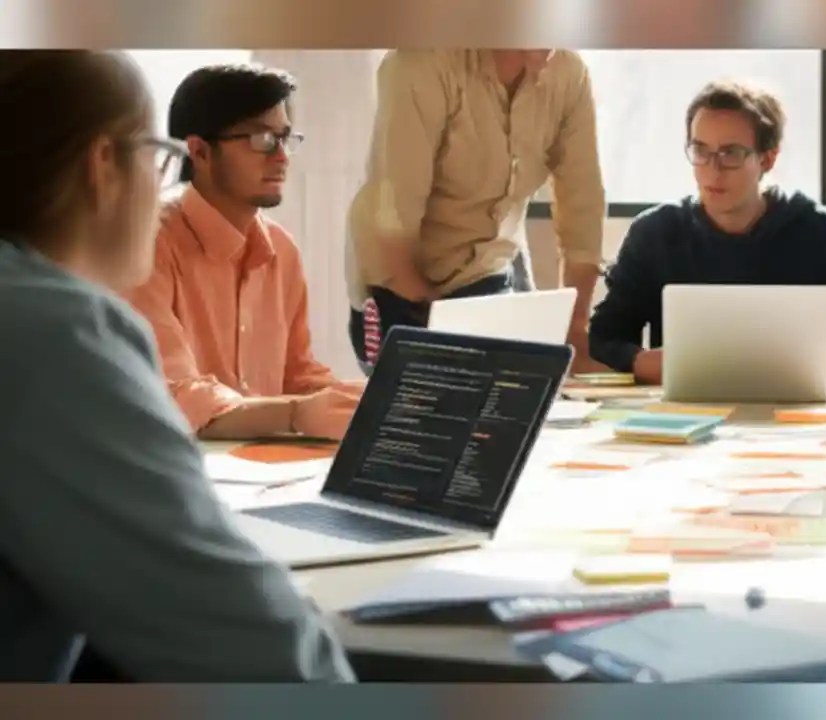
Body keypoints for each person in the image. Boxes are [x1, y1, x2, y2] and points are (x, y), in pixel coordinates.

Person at [0, 50, 351, 681]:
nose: (282, 155)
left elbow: (304, 373)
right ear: (102, 165)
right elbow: (248, 643)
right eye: (156, 156)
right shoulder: (53, 329)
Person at [587, 80, 826, 386]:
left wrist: (813, 360)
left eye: (731, 154)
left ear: (767, 158)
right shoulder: (655, 232)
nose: (713, 169)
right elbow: (605, 336)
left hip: (797, 418)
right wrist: (640, 361)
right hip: (685, 416)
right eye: (700, 150)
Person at [125, 64, 362, 442]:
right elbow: (172, 396)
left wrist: (364, 401)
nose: (282, 157)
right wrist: (295, 413)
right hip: (187, 470)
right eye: (263, 140)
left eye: (286, 138)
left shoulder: (281, 250)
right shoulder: (148, 244)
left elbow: (298, 375)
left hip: (265, 471)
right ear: (199, 151)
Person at [347, 49, 607, 374]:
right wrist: (431, 324)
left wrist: (574, 327)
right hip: (402, 278)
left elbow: (583, 206)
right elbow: (392, 218)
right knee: (434, 407)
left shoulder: (569, 73)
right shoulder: (420, 64)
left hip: (489, 272)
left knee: (524, 400)